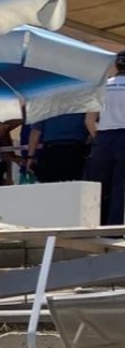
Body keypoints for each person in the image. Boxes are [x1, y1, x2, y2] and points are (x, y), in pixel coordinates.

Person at [86, 50, 125, 226]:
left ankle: (95, 225)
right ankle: (115, 228)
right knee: (120, 188)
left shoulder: (101, 86)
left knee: (99, 186)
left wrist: (99, 137)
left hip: (103, 138)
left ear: (116, 65)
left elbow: (89, 121)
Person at [27, 112, 91, 184]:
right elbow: (90, 123)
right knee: (74, 189)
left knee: (49, 189)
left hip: (51, 151)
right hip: (76, 150)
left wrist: (30, 157)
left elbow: (36, 131)